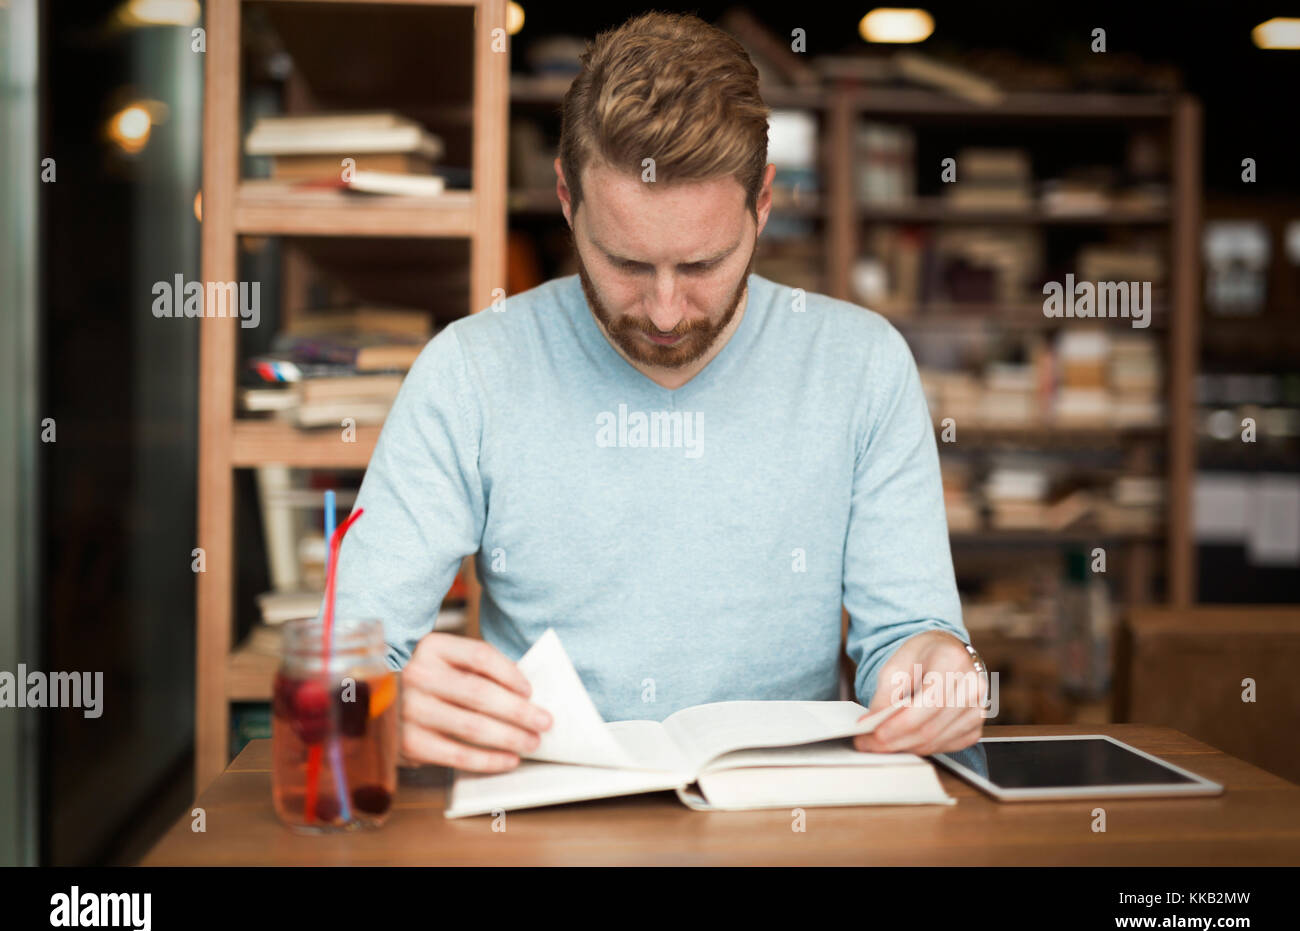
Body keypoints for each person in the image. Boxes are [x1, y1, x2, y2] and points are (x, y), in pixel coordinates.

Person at [334, 12, 985, 773]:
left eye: (704, 264)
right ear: (568, 201)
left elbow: (910, 635)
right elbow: (342, 659)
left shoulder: (862, 365)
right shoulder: (469, 372)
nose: (668, 312)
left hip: (787, 819)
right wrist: (383, 696)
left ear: (763, 204)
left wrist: (936, 663)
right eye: (627, 264)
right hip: (546, 820)